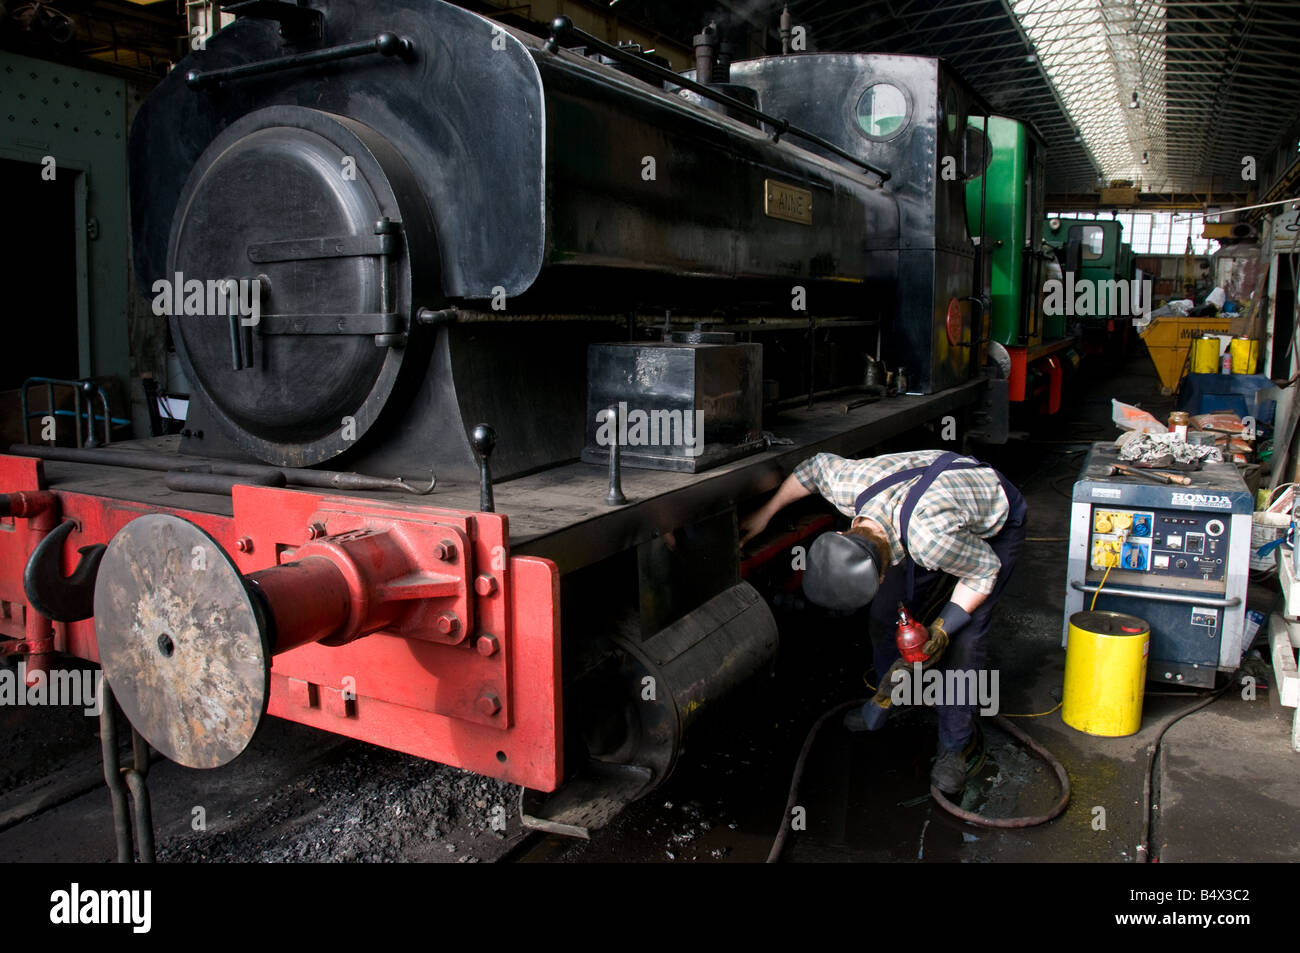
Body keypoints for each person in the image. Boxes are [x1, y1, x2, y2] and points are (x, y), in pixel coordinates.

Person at [739, 448, 1027, 793]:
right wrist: (766, 513)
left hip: (993, 514)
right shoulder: (848, 485)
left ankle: (955, 745)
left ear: (876, 575)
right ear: (845, 533)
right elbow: (814, 467)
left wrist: (940, 631)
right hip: (923, 510)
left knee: (965, 643)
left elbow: (983, 572)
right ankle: (892, 699)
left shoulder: (931, 542)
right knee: (885, 615)